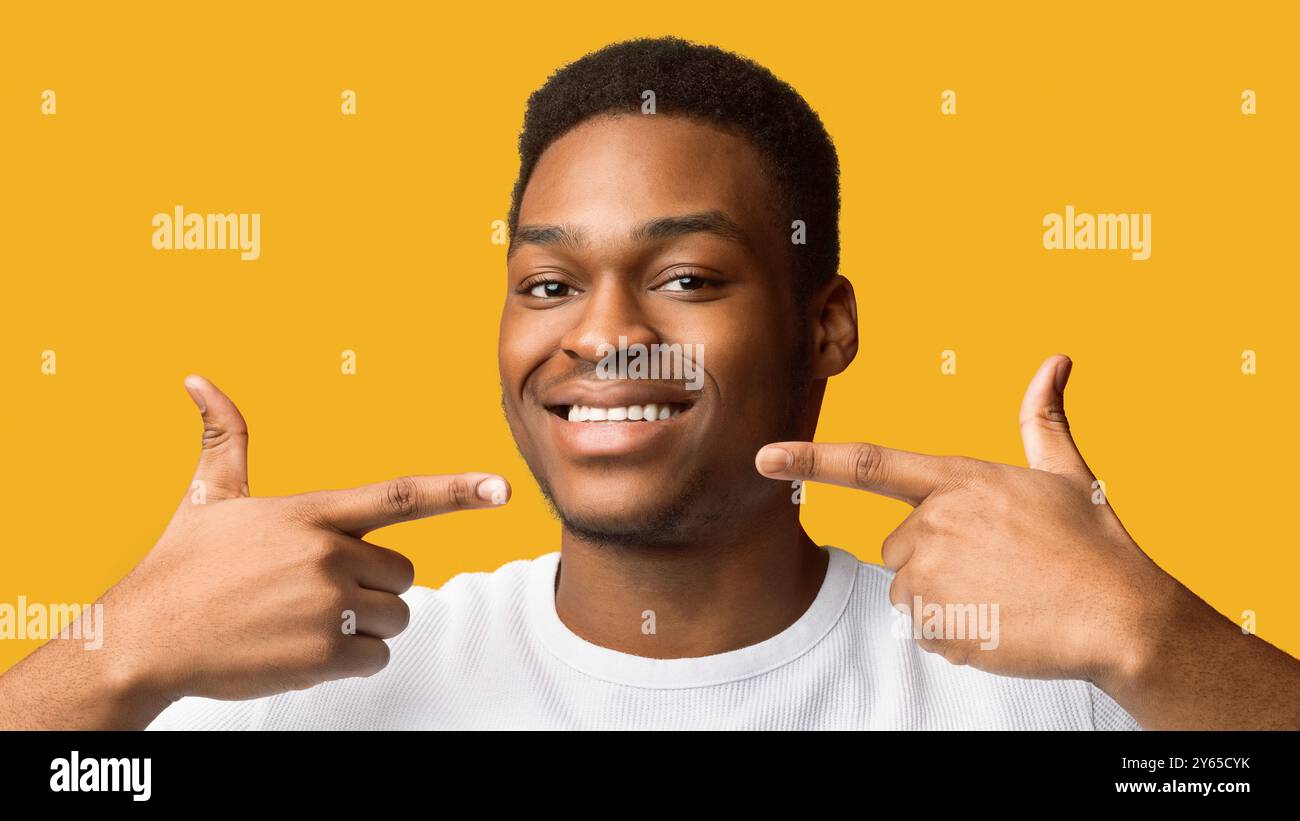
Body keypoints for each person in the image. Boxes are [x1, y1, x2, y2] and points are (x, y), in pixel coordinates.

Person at [2, 36, 1296, 730]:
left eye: (686, 277)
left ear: (825, 324)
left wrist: (1158, 637)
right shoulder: (303, 683)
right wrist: (116, 660)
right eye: (549, 284)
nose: (600, 337)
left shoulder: (1052, 685)